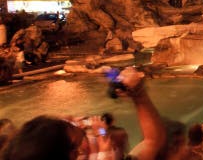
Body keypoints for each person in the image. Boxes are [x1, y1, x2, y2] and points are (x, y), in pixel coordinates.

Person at [1, 68, 165, 160]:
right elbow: (152, 141)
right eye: (81, 135)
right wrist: (139, 94)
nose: (81, 123)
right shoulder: (104, 150)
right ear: (74, 154)